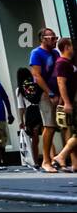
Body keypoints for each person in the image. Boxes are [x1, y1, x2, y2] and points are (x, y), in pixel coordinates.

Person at [31, 28, 62, 169]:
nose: (55, 40)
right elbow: (37, 76)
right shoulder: (36, 53)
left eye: (55, 37)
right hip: (46, 95)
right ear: (43, 39)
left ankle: (60, 159)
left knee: (61, 126)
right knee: (49, 126)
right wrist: (50, 93)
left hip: (58, 93)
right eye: (52, 37)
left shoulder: (55, 53)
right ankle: (46, 161)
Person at [50, 39, 77, 172]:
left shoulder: (69, 63)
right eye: (71, 45)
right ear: (67, 47)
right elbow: (61, 83)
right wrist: (66, 102)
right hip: (71, 103)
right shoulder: (61, 63)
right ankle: (61, 156)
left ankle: (75, 164)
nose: (73, 48)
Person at [15, 66, 43, 170]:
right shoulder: (36, 84)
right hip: (40, 110)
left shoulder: (20, 89)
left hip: (30, 113)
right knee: (46, 134)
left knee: (34, 139)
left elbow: (21, 107)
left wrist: (21, 121)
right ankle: (49, 159)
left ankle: (35, 162)